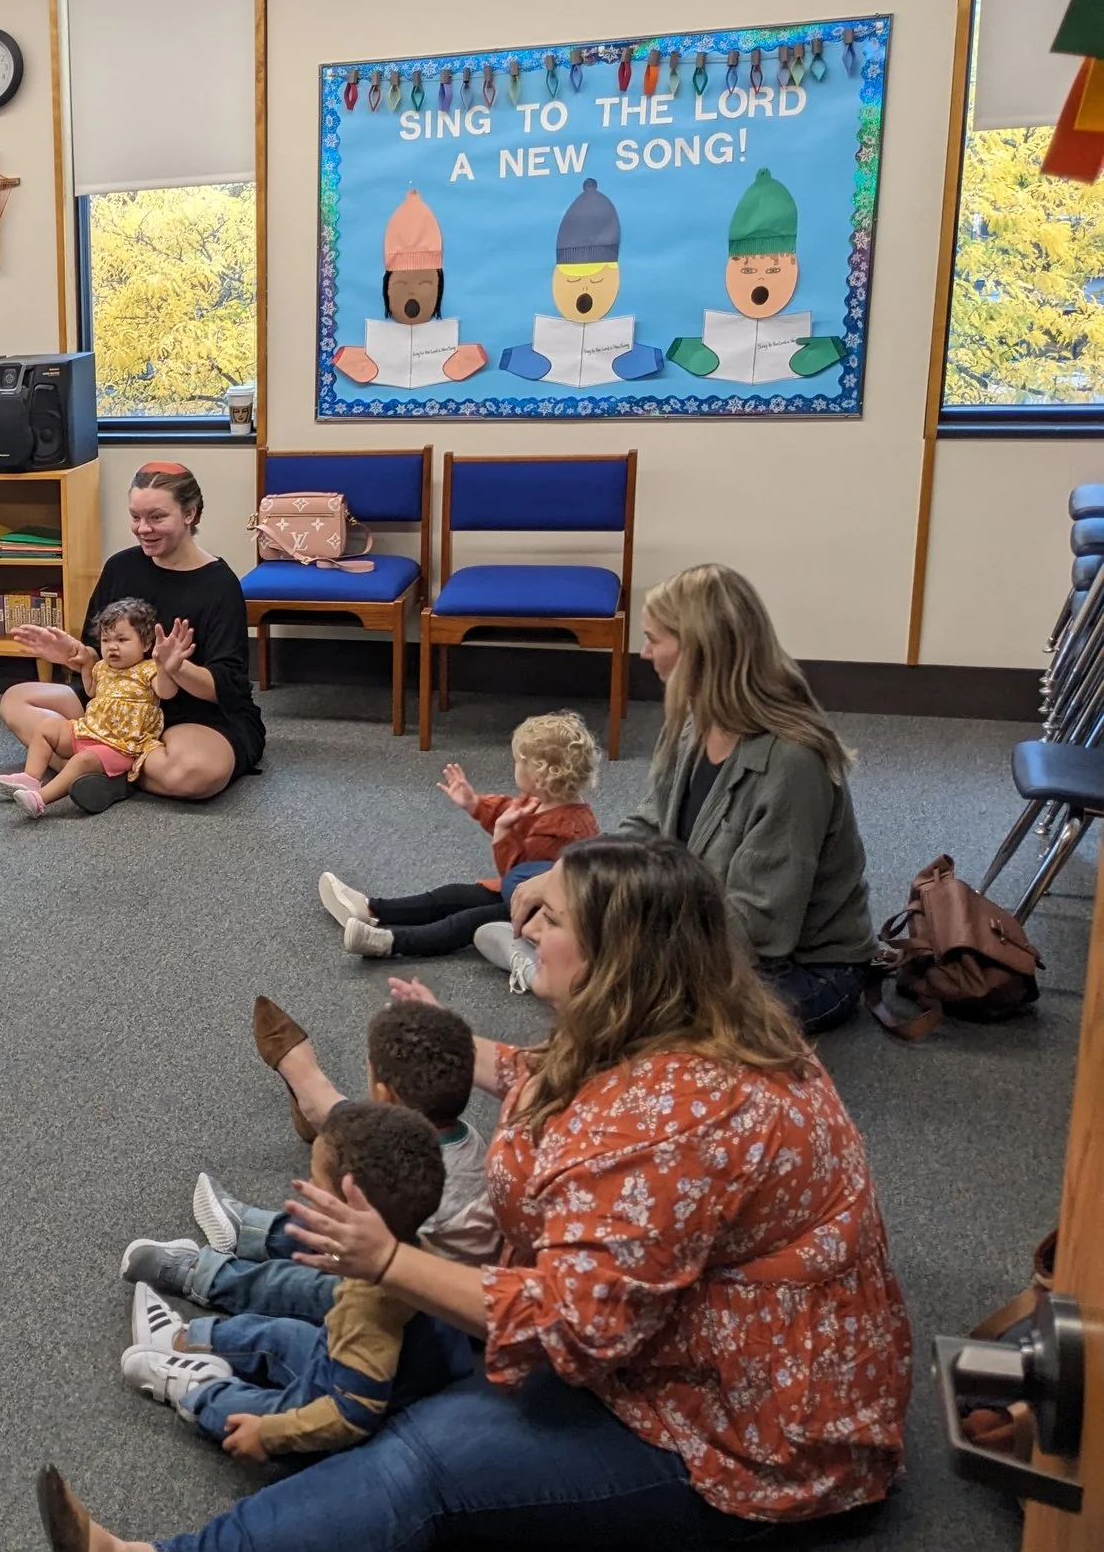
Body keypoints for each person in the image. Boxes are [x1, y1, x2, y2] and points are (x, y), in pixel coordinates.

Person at [35, 837, 910, 1552]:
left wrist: (388, 1259)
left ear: (619, 964)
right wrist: (453, 1049)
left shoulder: (678, 1116)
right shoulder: (677, 1025)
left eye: (553, 919)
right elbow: (542, 1075)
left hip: (744, 1426)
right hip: (666, 1340)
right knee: (395, 1341)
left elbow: (577, 1327)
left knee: (427, 1456)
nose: (526, 924)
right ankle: (263, 1401)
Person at [492, 564, 873, 1032]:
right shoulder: (698, 720)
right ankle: (568, 959)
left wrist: (618, 932)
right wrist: (567, 875)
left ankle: (559, 969)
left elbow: (758, 929)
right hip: (692, 908)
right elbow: (648, 827)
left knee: (658, 1015)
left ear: (698, 649)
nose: (645, 652)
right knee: (530, 878)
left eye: (655, 639)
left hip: (799, 969)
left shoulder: (793, 762)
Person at [118, 1102, 460, 1467]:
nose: (308, 1189)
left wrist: (268, 1434)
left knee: (248, 1412)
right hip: (335, 1359)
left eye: (316, 1186)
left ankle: (199, 1391)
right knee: (275, 1334)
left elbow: (351, 1415)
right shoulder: (413, 1247)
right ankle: (181, 1340)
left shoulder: (370, 1309)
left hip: (337, 1406)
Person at [122, 997, 497, 1326]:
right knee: (329, 1230)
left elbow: (376, 1249)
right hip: (431, 1256)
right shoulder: (471, 1143)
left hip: (415, 1300)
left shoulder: (396, 1175)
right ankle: (252, 1231)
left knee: (298, 1287)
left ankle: (202, 1275)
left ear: (383, 1093)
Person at [5, 462, 263, 811]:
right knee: (15, 700)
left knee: (196, 772)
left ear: (190, 514)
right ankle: (106, 766)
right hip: (114, 707)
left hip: (187, 716)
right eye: (136, 517)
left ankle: (94, 768)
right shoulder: (121, 567)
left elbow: (226, 687)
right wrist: (74, 654)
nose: (143, 529)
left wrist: (177, 668)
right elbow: (100, 660)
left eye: (157, 517)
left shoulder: (220, 586)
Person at [319, 711, 599, 961]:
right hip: (525, 897)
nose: (513, 766)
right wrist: (475, 803)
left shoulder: (563, 829)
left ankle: (389, 942)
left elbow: (516, 883)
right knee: (450, 895)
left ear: (538, 777)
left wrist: (501, 835)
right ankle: (372, 909)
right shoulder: (548, 800)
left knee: (464, 922)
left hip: (540, 912)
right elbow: (508, 811)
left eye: (517, 762)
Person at [0, 598, 176, 819]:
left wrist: (165, 666)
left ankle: (41, 798)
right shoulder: (102, 667)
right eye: (105, 639)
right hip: (89, 730)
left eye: (122, 639)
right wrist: (85, 664)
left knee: (82, 761)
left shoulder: (148, 670)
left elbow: (166, 692)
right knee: (46, 728)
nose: (112, 647)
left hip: (121, 746)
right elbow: (91, 691)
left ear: (147, 644)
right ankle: (31, 777)